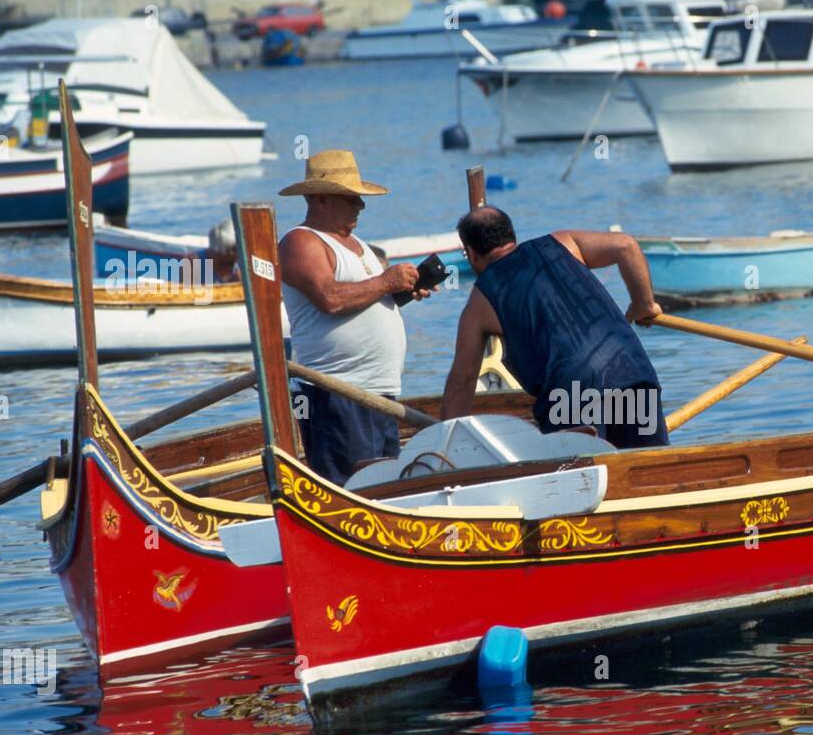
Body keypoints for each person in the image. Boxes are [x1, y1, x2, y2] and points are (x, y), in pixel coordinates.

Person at [440, 206, 669, 448]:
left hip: (570, 398)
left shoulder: (481, 300)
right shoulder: (564, 242)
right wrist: (644, 304)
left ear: (472, 253)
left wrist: (446, 448)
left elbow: (462, 382)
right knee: (647, 471)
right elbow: (626, 246)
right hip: (633, 375)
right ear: (511, 236)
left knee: (580, 479)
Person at [277, 149, 433, 485]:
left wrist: (398, 294)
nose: (360, 206)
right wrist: (385, 282)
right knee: (351, 488)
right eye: (351, 198)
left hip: (376, 392)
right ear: (320, 198)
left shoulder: (357, 244)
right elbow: (329, 299)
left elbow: (363, 301)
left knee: (385, 486)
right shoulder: (300, 242)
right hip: (335, 394)